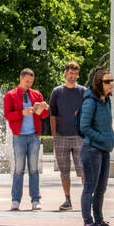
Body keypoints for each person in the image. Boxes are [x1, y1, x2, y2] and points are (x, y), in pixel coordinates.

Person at [3, 67, 49, 212]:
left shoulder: (36, 94)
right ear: (20, 78)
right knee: (18, 169)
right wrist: (21, 113)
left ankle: (35, 200)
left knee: (34, 169)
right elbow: (7, 115)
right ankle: (15, 200)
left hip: (34, 136)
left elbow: (43, 116)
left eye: (31, 82)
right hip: (19, 137)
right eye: (27, 81)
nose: (29, 84)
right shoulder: (10, 95)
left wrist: (45, 108)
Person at [79, 67, 114, 226]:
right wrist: (103, 139)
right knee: (90, 187)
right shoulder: (90, 101)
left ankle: (99, 221)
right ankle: (88, 222)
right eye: (107, 81)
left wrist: (111, 138)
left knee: (101, 188)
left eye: (111, 80)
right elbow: (84, 127)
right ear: (98, 83)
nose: (111, 84)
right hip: (92, 150)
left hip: (104, 150)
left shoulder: (106, 101)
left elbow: (107, 126)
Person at [49, 61, 86, 211]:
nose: (73, 76)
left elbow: (88, 112)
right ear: (65, 73)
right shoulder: (57, 92)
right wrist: (54, 135)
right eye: (70, 73)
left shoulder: (83, 91)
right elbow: (52, 115)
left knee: (84, 170)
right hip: (61, 136)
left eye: (75, 73)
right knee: (64, 171)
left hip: (79, 137)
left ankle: (86, 200)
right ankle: (67, 200)